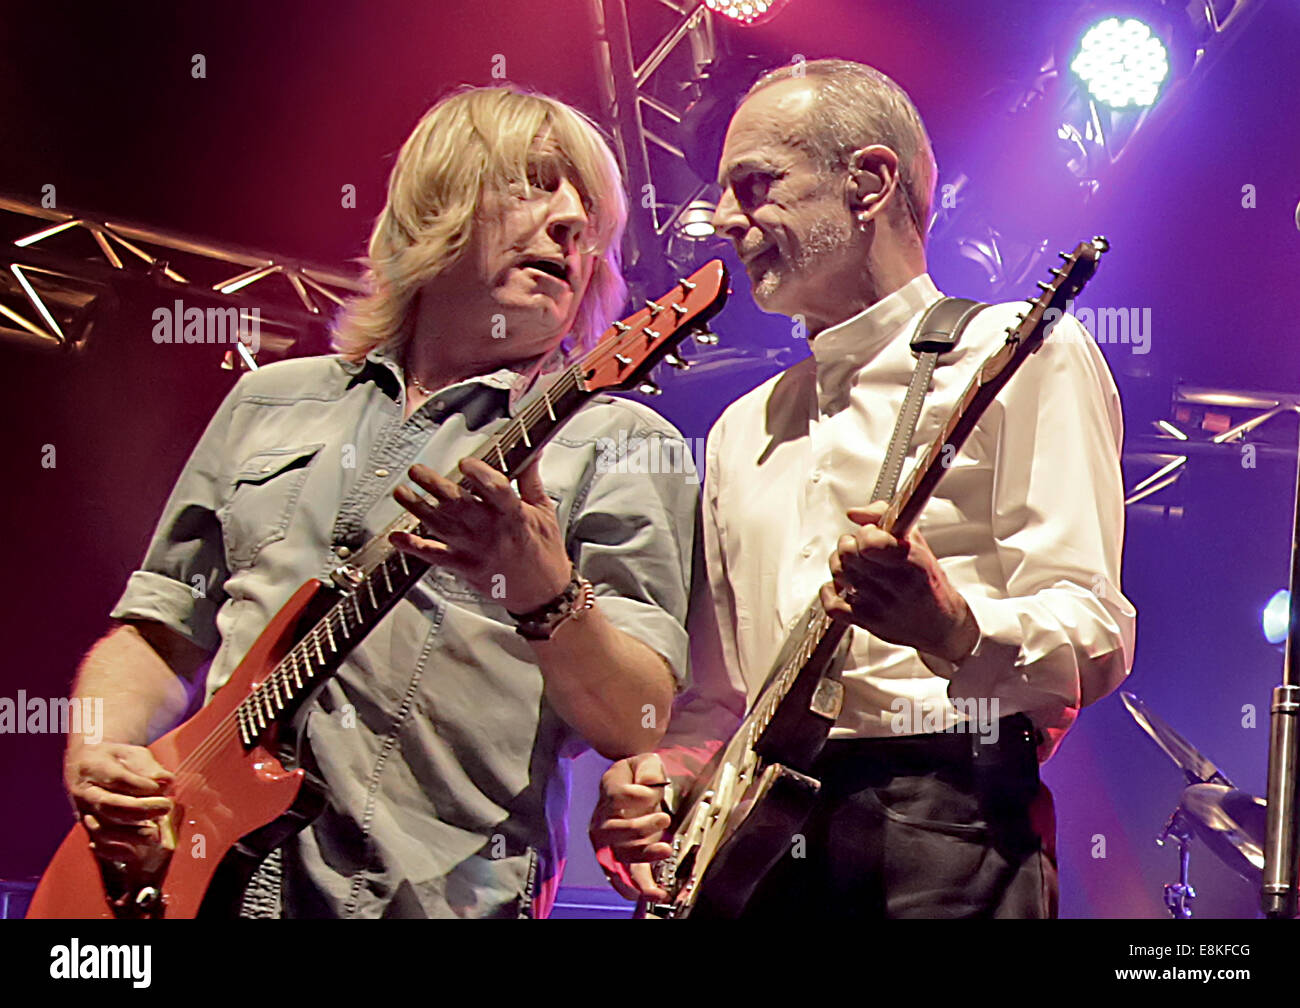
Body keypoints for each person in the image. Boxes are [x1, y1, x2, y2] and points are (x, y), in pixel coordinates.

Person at [62, 85, 696, 918]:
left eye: (593, 217)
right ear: (436, 205)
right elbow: (157, 629)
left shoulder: (621, 440)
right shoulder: (269, 400)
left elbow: (636, 719)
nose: (572, 221)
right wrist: (99, 748)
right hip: (193, 887)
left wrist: (543, 592)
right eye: (536, 185)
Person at [591, 59, 1135, 918]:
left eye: (756, 184)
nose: (724, 218)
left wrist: (954, 627)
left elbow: (1094, 630)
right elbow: (723, 698)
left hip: (949, 817)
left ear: (870, 182)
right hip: (759, 842)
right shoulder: (739, 427)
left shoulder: (1020, 349)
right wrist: (668, 780)